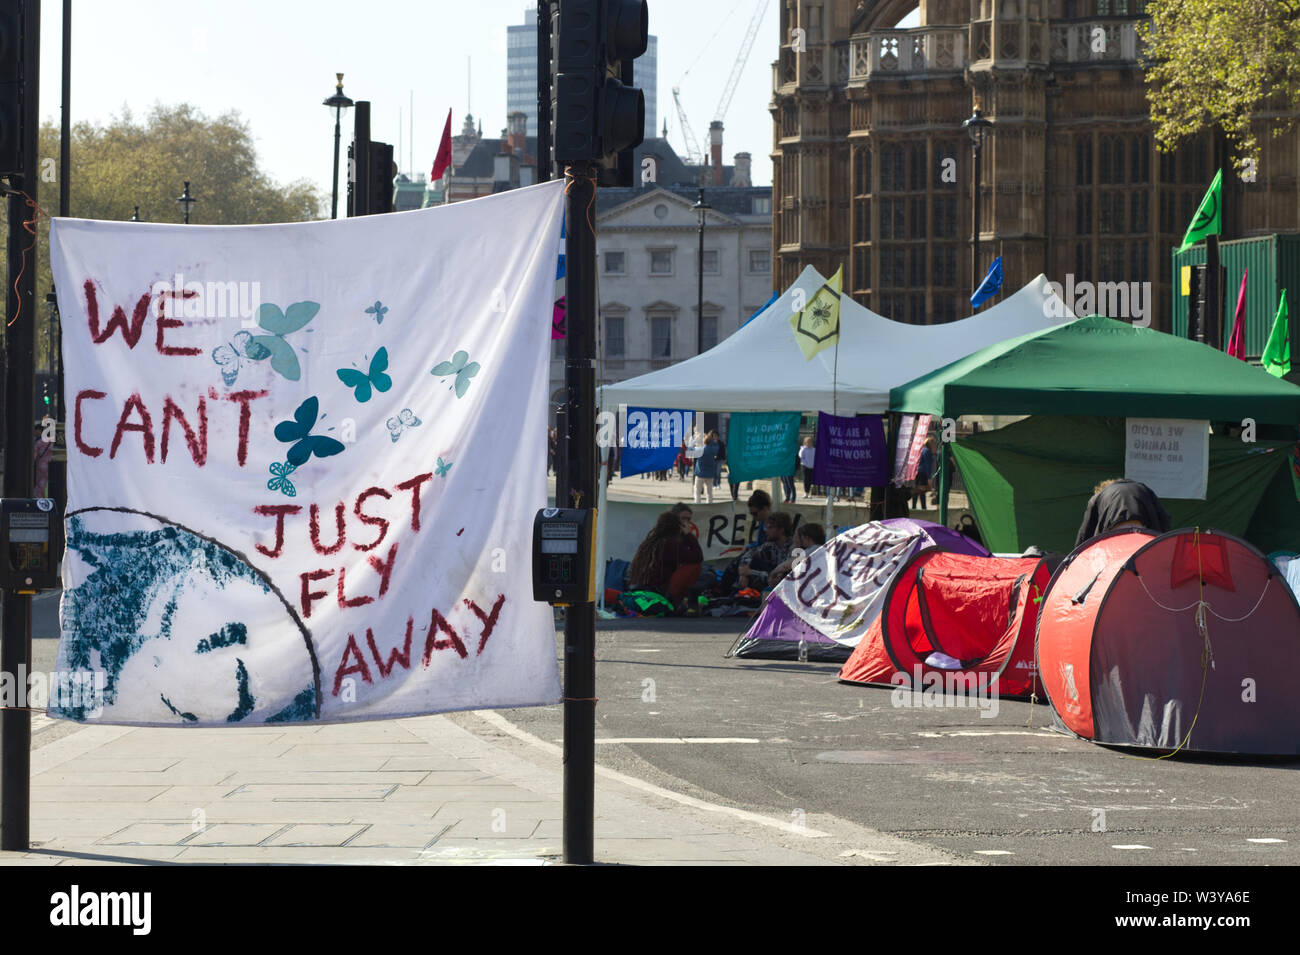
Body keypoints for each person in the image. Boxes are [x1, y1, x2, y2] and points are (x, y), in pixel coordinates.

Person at [626, 510, 703, 605]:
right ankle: (678, 600)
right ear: (677, 528)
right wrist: (688, 535)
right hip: (658, 592)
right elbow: (698, 556)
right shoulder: (669, 544)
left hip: (638, 590)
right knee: (695, 565)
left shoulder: (649, 543)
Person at [1074, 478, 1171, 547]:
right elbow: (1163, 518)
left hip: (1114, 534)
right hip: (1144, 534)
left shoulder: (1098, 497)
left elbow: (1084, 535)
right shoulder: (1145, 489)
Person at [736, 512, 795, 591]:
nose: (766, 531)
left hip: (785, 588)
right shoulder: (770, 545)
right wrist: (743, 574)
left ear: (781, 530)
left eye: (770, 528)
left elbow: (779, 578)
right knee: (741, 561)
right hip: (770, 581)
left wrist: (750, 572)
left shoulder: (793, 548)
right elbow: (748, 555)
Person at [768, 522, 825, 586]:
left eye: (798, 536)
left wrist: (773, 573)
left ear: (806, 537)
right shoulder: (821, 549)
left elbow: (787, 565)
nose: (795, 539)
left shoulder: (814, 549)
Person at [692, 429, 720, 504]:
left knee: (697, 491)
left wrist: (696, 439)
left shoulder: (700, 449)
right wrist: (709, 438)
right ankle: (709, 504)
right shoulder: (714, 449)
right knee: (709, 492)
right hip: (710, 474)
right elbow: (716, 444)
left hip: (700, 473)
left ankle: (698, 503)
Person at [912, 437, 934, 510]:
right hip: (923, 473)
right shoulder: (927, 451)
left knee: (917, 489)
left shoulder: (921, 450)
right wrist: (929, 477)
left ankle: (914, 506)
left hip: (917, 472)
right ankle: (923, 507)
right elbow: (928, 464)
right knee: (922, 490)